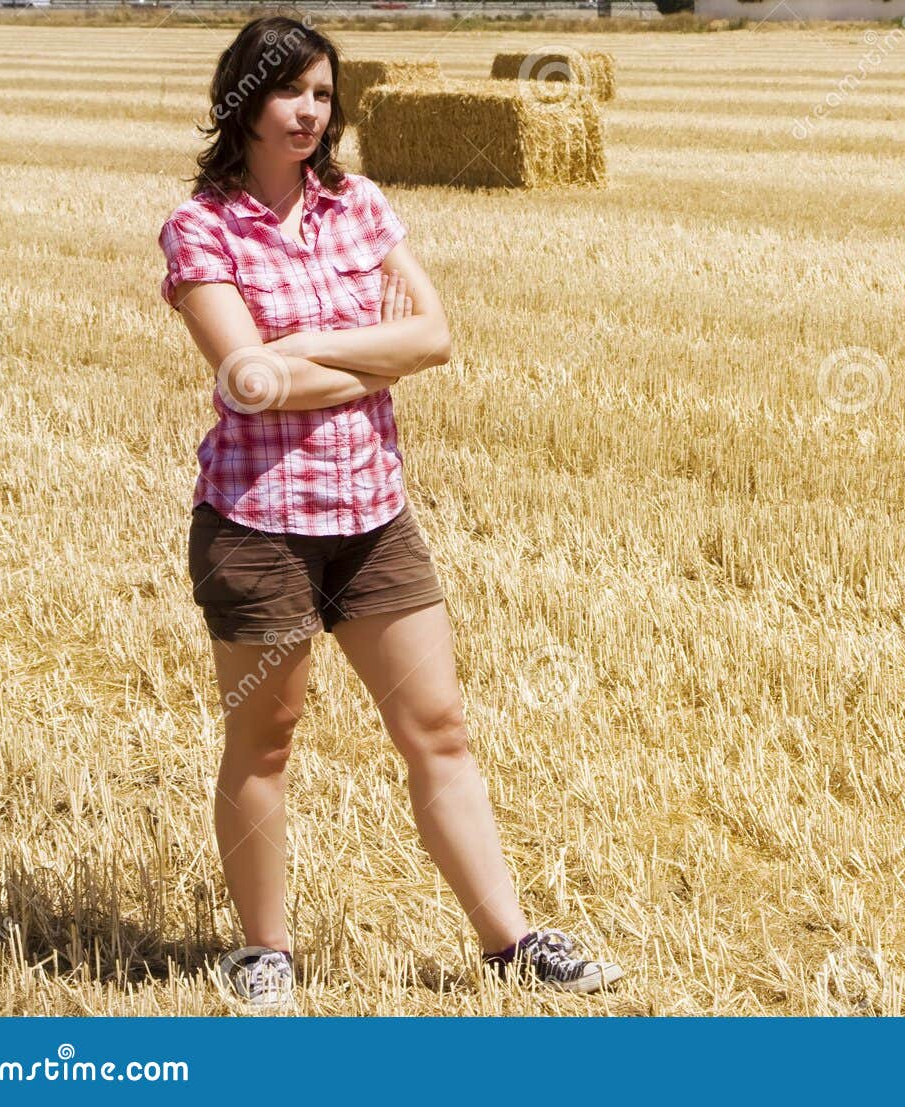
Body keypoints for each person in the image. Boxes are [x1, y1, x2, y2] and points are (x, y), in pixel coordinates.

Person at [157, 15, 623, 1011]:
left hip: (372, 518)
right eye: (289, 92)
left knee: (440, 730)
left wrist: (303, 361)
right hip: (258, 523)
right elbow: (242, 377)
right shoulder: (201, 227)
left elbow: (436, 337)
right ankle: (263, 950)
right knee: (266, 742)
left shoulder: (362, 205)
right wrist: (365, 351)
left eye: (324, 94)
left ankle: (511, 944)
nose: (310, 112)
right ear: (242, 102)